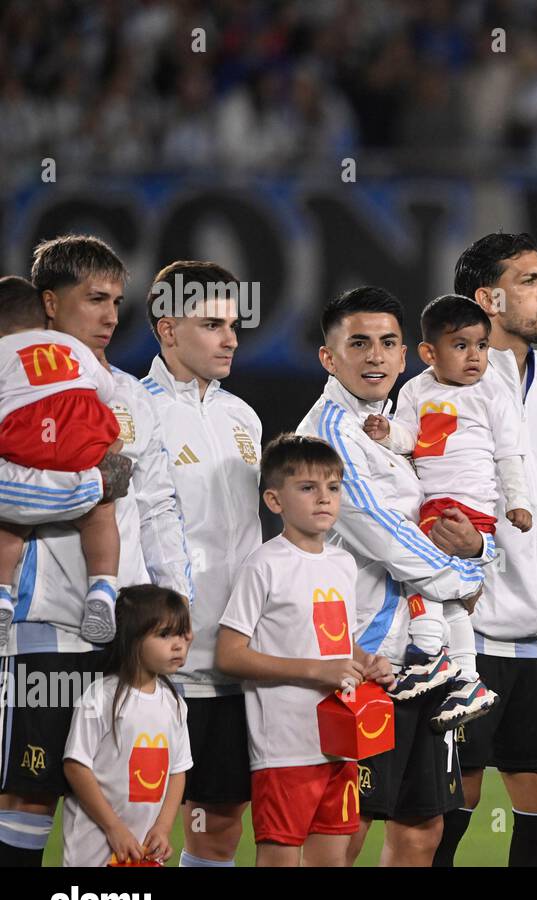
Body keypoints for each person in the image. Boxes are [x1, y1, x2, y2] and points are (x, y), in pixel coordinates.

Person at [0, 234, 191, 868]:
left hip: (122, 635)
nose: (110, 316)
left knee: (119, 803)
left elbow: (159, 507)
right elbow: (7, 497)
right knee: (29, 796)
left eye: (117, 301)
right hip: (44, 631)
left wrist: (174, 605)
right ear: (49, 304)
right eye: (94, 300)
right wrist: (90, 484)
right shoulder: (12, 388)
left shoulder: (131, 397)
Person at [299, 287, 486, 867]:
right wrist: (464, 578)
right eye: (358, 343)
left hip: (417, 657)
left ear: (406, 356)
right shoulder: (329, 433)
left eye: (386, 343)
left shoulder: (395, 424)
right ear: (329, 359)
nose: (375, 356)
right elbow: (377, 528)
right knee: (342, 828)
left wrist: (475, 545)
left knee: (421, 825)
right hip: (359, 654)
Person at [433, 232, 537, 868]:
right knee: (439, 832)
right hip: (463, 638)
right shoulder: (440, 389)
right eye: (529, 281)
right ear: (486, 299)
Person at [216, 434, 393, 867]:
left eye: (333, 488)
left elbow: (338, 642)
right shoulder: (264, 564)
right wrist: (317, 671)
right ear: (275, 501)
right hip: (285, 749)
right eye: (308, 488)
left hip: (341, 744)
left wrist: (368, 662)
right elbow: (230, 655)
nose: (324, 499)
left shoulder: (343, 563)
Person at [139, 259, 263, 868]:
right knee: (146, 827)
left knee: (219, 825)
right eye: (212, 323)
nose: (231, 337)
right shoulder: (137, 410)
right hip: (169, 661)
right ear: (167, 329)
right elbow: (143, 525)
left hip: (238, 659)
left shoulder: (244, 418)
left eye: (233, 324)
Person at [364, 293, 537, 728]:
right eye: (461, 346)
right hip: (430, 501)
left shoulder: (494, 394)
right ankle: (466, 677)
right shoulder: (414, 390)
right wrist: (387, 433)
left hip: (468, 507)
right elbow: (409, 438)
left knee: (415, 569)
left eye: (481, 346)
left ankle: (429, 654)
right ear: (428, 352)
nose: (475, 356)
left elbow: (509, 456)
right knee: (450, 595)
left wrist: (517, 502)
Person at [0, 276, 123, 646]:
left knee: (8, 523)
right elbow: (107, 388)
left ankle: (2, 593)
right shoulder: (69, 345)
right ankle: (102, 589)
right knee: (101, 509)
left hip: (24, 439)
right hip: (79, 435)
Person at [62, 585, 193, 867]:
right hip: (93, 853)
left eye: (182, 634)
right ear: (132, 638)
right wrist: (113, 827)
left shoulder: (175, 704)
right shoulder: (100, 698)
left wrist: (163, 827)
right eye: (165, 634)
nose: (179, 644)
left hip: (142, 853)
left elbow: (178, 771)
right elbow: (75, 765)